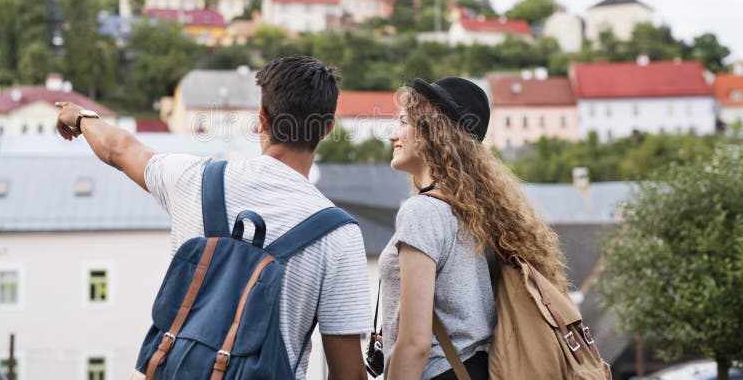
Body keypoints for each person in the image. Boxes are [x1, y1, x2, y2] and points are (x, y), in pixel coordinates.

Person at [55, 55, 372, 380]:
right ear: (328, 128)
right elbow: (348, 372)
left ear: (261, 119)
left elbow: (120, 149)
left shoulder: (192, 179)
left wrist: (80, 117)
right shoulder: (338, 235)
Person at [378, 77, 568, 380]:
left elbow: (415, 343)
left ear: (432, 131)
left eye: (403, 122)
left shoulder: (422, 211)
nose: (392, 135)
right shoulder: (478, 211)